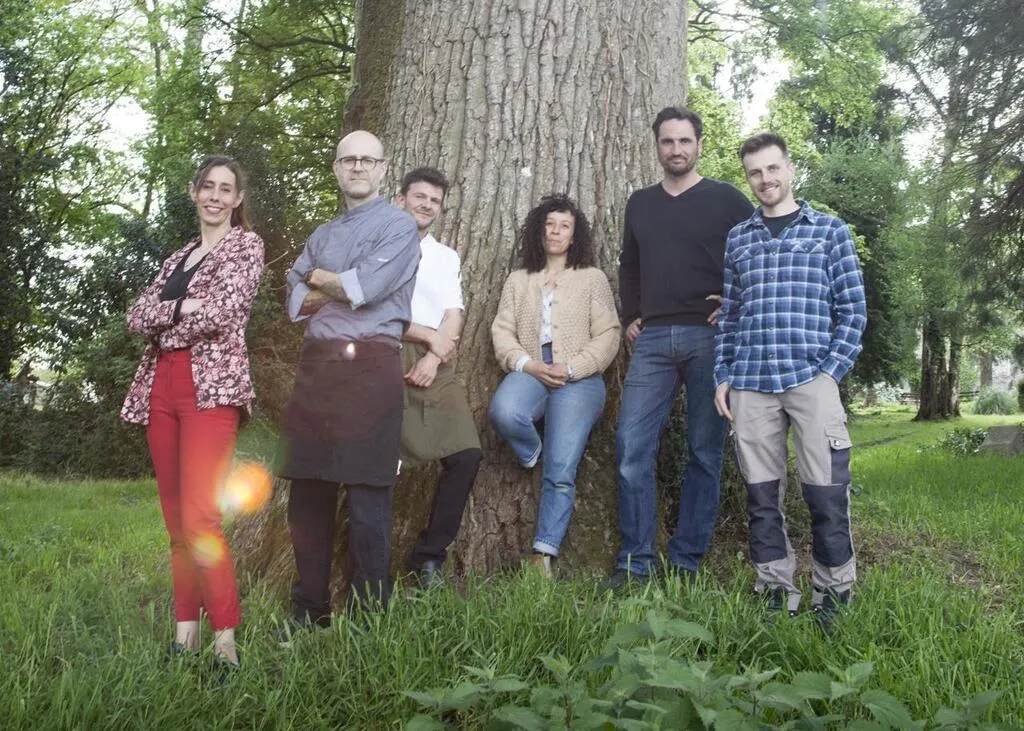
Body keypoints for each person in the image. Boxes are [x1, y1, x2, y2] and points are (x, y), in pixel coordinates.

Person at [714, 132, 867, 631]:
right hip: (752, 382)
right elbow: (731, 317)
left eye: (773, 169)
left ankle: (835, 590)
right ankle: (776, 588)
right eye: (755, 172)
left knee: (826, 493)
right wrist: (724, 376)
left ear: (790, 169)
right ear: (748, 177)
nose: (765, 180)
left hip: (811, 379)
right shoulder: (739, 238)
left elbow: (853, 311)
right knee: (761, 497)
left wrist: (830, 374)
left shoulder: (829, 232)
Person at [121, 156, 265, 670]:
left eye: (227, 189)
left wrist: (168, 320)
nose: (216, 196)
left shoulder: (245, 247)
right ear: (193, 191)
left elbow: (227, 314)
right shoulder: (178, 259)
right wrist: (183, 308)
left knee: (201, 515)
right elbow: (136, 317)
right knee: (175, 517)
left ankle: (224, 636)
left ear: (237, 199)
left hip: (211, 389)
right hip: (161, 387)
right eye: (208, 186)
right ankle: (185, 634)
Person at [276, 131, 420, 631]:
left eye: (367, 160)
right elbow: (294, 298)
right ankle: (307, 611)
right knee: (307, 493)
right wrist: (335, 282)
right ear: (337, 168)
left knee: (367, 496)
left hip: (372, 366)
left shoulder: (400, 227)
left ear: (382, 169)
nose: (358, 167)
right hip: (317, 366)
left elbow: (366, 288)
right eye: (348, 159)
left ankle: (368, 622)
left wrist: (321, 279)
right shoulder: (322, 234)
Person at [608, 107, 755, 589]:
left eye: (684, 141)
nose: (676, 149)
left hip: (709, 339)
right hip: (651, 341)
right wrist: (631, 315)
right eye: (668, 141)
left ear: (699, 145)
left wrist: (734, 303)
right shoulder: (641, 203)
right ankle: (636, 561)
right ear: (657, 147)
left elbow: (757, 256)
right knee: (631, 448)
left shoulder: (727, 200)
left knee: (704, 452)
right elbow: (629, 265)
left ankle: (688, 560)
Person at [489, 194, 621, 577]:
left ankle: (542, 555)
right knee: (505, 411)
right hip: (531, 369)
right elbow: (502, 331)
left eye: (564, 226)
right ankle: (531, 452)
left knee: (561, 470)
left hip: (579, 379)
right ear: (538, 230)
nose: (556, 232)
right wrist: (528, 364)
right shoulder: (519, 279)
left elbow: (608, 335)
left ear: (574, 234)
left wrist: (572, 367)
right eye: (549, 224)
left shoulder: (592, 278)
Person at [394, 166, 482, 588]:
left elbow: (454, 313)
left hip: (436, 359)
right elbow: (374, 310)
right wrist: (422, 334)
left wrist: (433, 354)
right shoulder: (381, 246)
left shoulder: (446, 257)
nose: (426, 204)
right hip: (386, 354)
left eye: (434, 200)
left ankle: (429, 557)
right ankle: (370, 565)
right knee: (379, 461)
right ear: (401, 199)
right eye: (419, 196)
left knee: (466, 453)